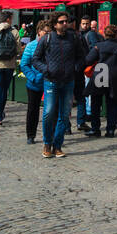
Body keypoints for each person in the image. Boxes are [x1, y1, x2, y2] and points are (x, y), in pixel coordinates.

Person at [34, 10, 85, 157]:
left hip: (68, 81)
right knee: (49, 112)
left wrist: (75, 68)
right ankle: (47, 143)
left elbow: (82, 57)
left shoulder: (74, 38)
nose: (65, 24)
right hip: (51, 81)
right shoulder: (47, 38)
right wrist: (47, 69)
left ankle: (57, 145)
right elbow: (36, 59)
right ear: (55, 24)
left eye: (66, 21)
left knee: (64, 115)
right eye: (61, 22)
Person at [85, 24, 117, 137]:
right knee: (111, 103)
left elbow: (88, 60)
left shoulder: (99, 46)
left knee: (96, 103)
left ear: (104, 34)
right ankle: (110, 129)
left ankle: (95, 128)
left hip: (101, 74)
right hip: (115, 77)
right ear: (116, 35)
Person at [18, 20, 51, 144]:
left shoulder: (53, 45)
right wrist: (33, 77)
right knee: (33, 110)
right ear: (39, 32)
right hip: (34, 83)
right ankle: (30, 135)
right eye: (45, 32)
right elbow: (24, 64)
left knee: (50, 110)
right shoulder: (31, 46)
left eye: (49, 32)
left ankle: (49, 136)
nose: (48, 34)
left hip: (49, 81)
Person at [0, 14, 21, 127]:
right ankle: (1, 112)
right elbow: (19, 50)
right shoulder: (14, 32)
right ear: (8, 19)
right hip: (9, 65)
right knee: (4, 91)